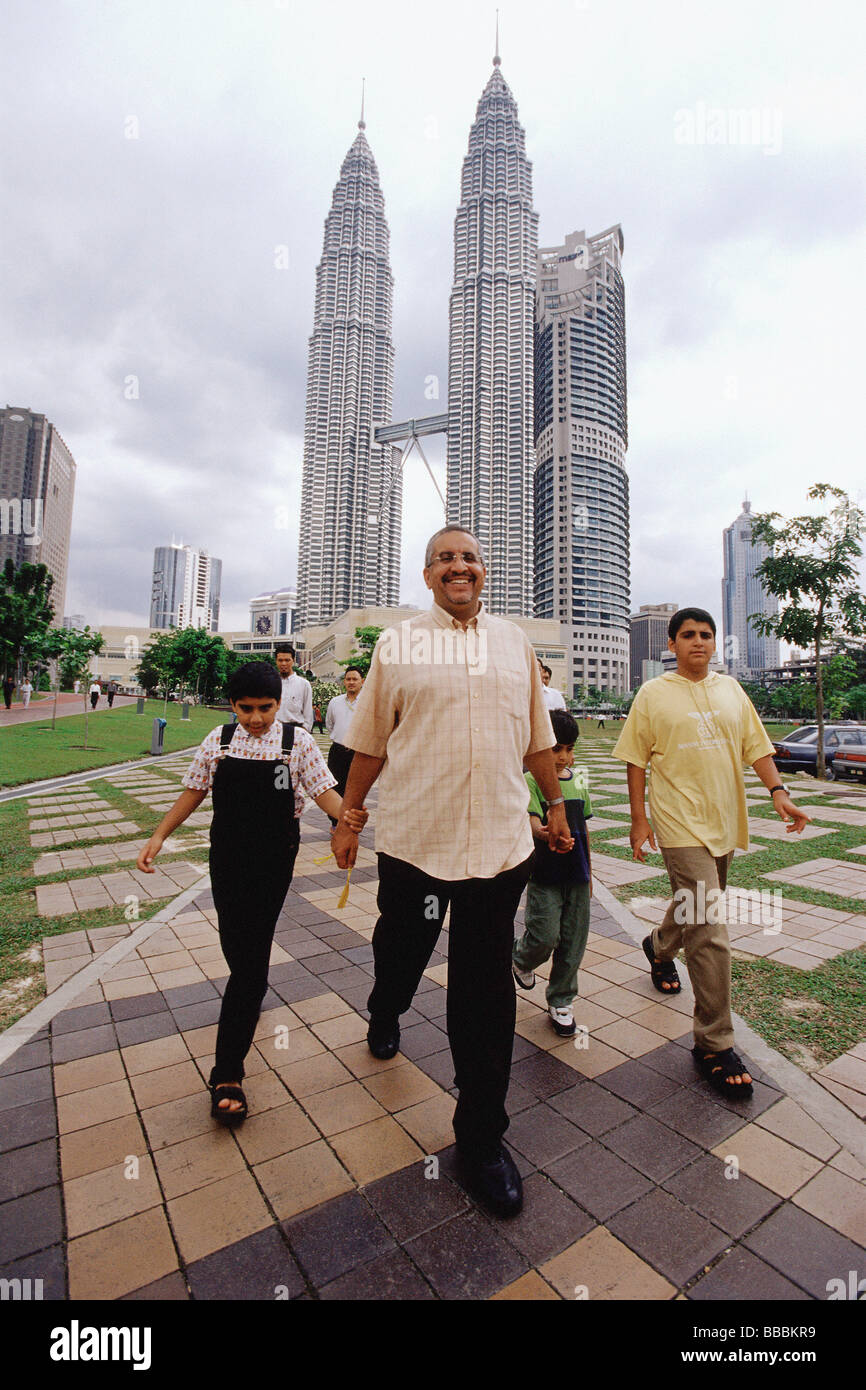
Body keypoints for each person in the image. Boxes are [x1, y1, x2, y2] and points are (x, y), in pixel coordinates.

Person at [331, 526, 572, 1218]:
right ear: (428, 574)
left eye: (468, 557)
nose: (458, 567)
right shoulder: (399, 644)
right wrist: (349, 818)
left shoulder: (514, 644)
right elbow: (369, 741)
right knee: (402, 950)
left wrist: (554, 806)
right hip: (415, 840)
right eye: (445, 559)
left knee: (485, 987)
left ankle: (481, 1139)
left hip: (498, 845)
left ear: (484, 571)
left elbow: (538, 738)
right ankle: (386, 1006)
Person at [136, 662, 366, 1124]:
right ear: (233, 706)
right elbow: (193, 792)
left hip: (274, 859)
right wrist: (158, 835)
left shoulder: (295, 742)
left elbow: (324, 793)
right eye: (246, 709)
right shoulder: (219, 741)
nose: (256, 718)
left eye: (265, 708)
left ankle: (227, 1072)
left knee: (250, 956)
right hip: (227, 856)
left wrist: (350, 820)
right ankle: (251, 986)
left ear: (279, 704)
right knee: (236, 946)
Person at [612, 607, 810, 1096]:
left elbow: (757, 747)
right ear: (672, 645)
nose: (698, 642)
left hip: (724, 821)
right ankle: (714, 1043)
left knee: (695, 909)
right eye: (687, 635)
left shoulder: (730, 690)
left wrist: (779, 792)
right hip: (679, 824)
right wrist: (639, 819)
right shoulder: (653, 694)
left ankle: (658, 946)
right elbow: (636, 761)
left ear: (714, 643)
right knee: (710, 930)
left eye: (705, 635)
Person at [512, 709, 593, 1037]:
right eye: (556, 749)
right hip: (544, 874)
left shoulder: (580, 780)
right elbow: (531, 820)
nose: (563, 757)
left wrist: (592, 874)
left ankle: (561, 999)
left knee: (573, 941)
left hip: (578, 876)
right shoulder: (531, 780)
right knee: (545, 935)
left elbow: (585, 831)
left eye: (569, 749)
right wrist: (543, 832)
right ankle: (521, 957)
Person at [324, 666, 364, 827]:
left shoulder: (368, 702)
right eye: (348, 679)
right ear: (344, 682)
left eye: (355, 679)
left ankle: (352, 824)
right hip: (338, 751)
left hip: (359, 752)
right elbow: (330, 725)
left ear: (362, 681)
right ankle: (336, 822)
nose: (351, 682)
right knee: (335, 786)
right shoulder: (335, 702)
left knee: (356, 790)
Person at [275, 644, 313, 731]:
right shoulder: (270, 683)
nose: (283, 663)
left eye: (287, 660)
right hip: (274, 730)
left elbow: (308, 713)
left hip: (296, 730)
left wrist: (305, 731)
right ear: (276, 661)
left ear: (293, 660)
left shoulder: (304, 684)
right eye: (280, 660)